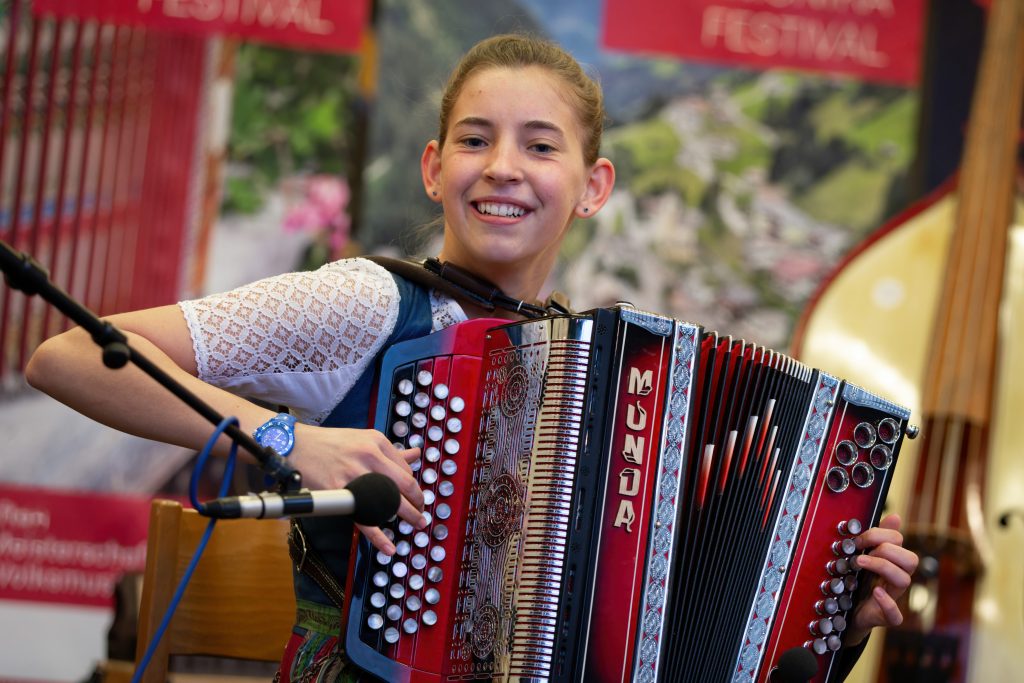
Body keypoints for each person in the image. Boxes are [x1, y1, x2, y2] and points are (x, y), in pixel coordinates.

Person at [26, 33, 917, 680]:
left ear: (592, 187)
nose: (502, 167)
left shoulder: (600, 370)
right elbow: (66, 358)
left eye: (540, 145)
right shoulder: (369, 302)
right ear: (432, 165)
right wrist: (290, 438)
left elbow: (657, 633)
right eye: (475, 138)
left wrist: (832, 615)